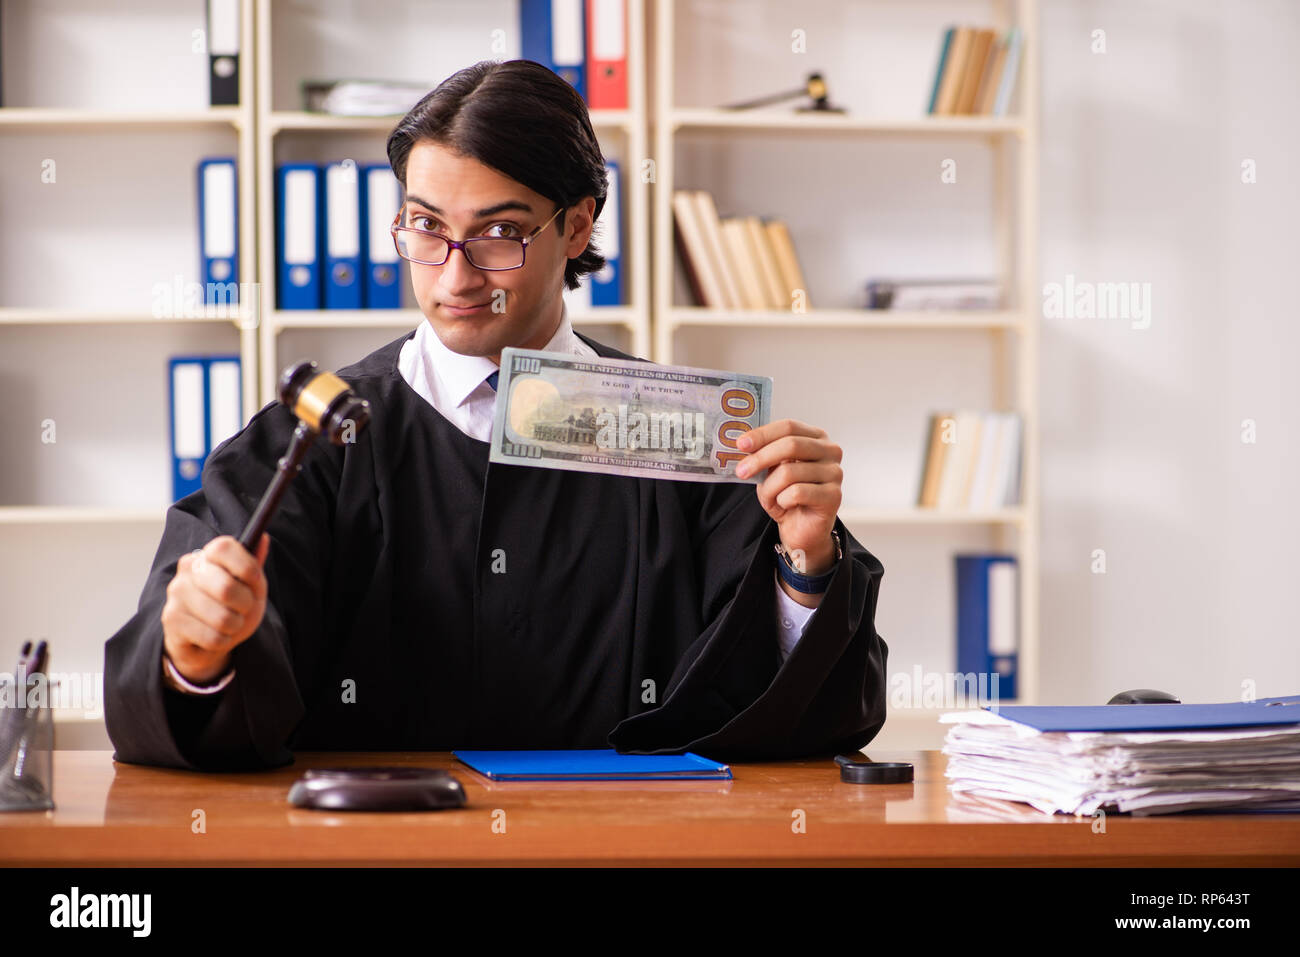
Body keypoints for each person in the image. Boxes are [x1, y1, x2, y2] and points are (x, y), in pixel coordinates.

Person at [104, 60, 888, 771]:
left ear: (576, 225)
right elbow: (189, 685)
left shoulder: (688, 437)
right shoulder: (312, 440)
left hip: (625, 855)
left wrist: (806, 567)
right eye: (426, 227)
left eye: (500, 233)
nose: (456, 274)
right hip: (375, 854)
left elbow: (799, 721)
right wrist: (195, 653)